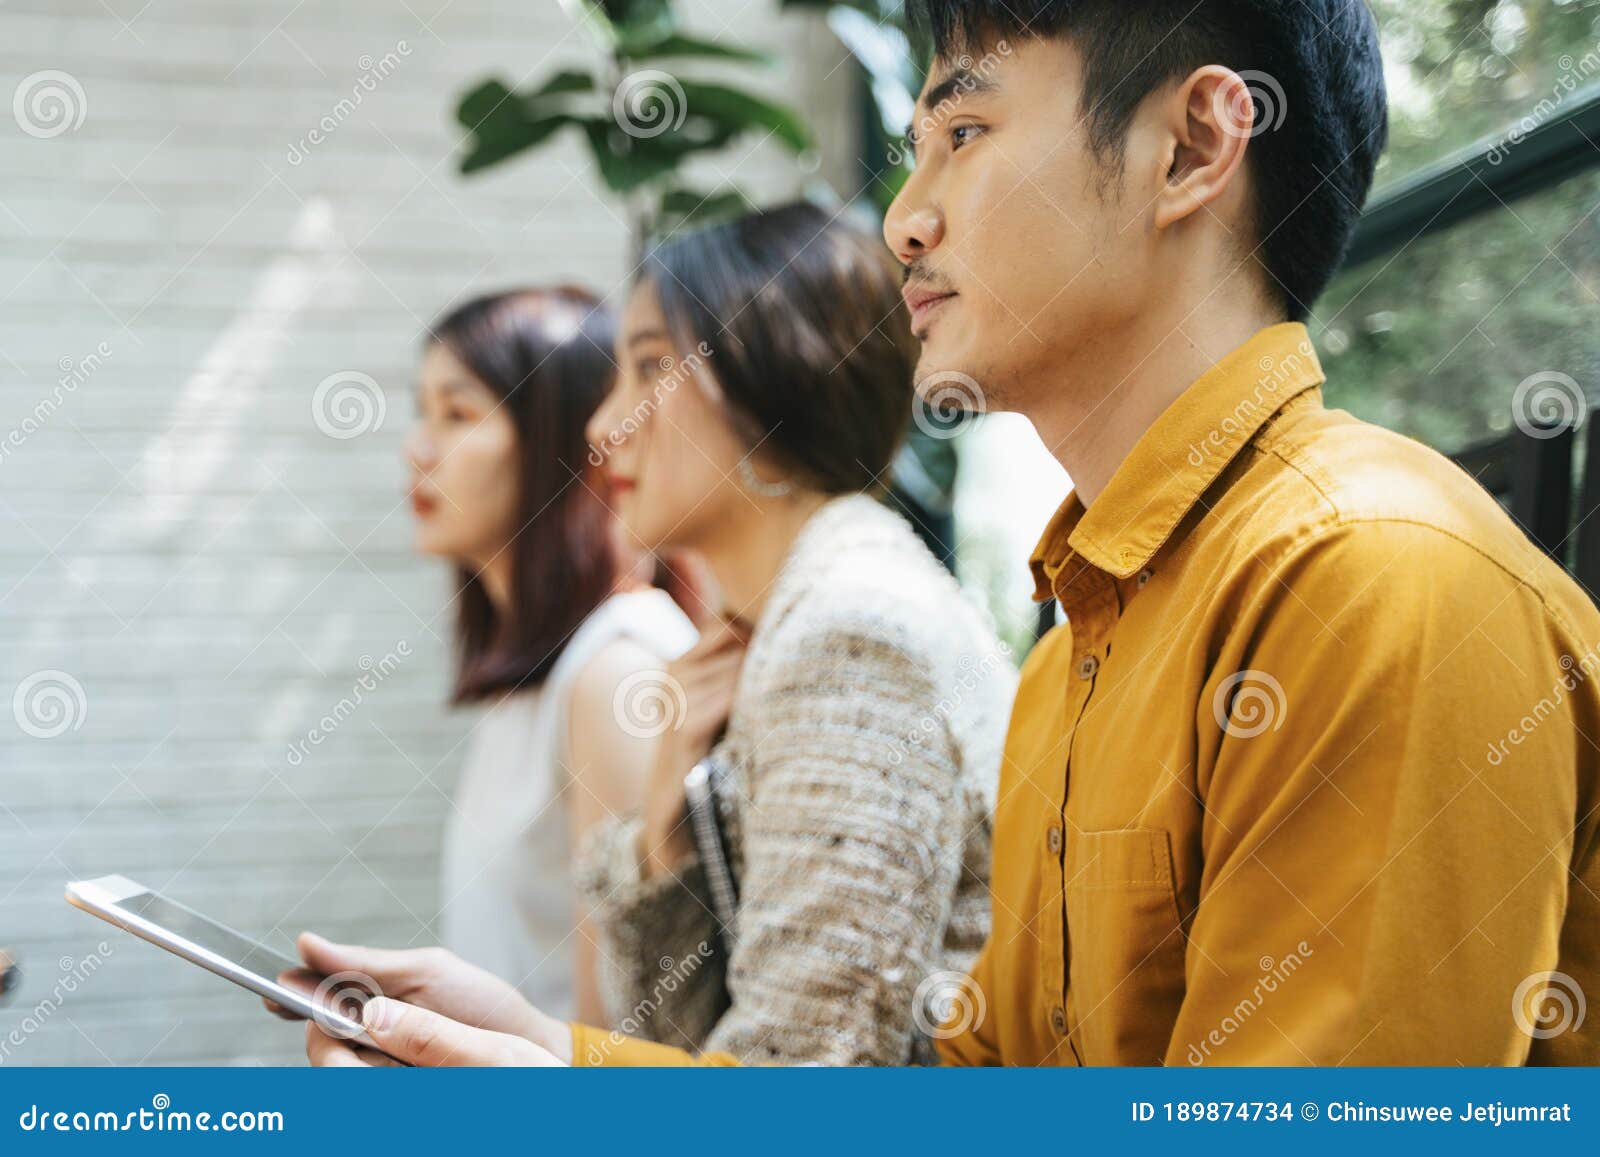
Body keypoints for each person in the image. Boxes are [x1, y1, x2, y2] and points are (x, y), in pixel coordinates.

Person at [301, 0, 1599, 1069]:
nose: (903, 220)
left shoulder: (1371, 576)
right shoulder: (1073, 649)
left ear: (1194, 147)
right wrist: (547, 1061)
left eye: (966, 132)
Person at [295, 202, 1016, 1068]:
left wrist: (524, 1067)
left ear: (765, 380)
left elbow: (802, 1074)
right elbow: (706, 1048)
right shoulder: (779, 623)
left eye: (648, 369)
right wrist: (661, 847)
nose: (603, 429)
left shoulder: (848, 631)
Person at [406, 288, 696, 1023]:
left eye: (458, 414)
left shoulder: (616, 675)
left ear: (565, 442)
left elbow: (624, 1041)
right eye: (423, 410)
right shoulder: (539, 674)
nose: (419, 448)